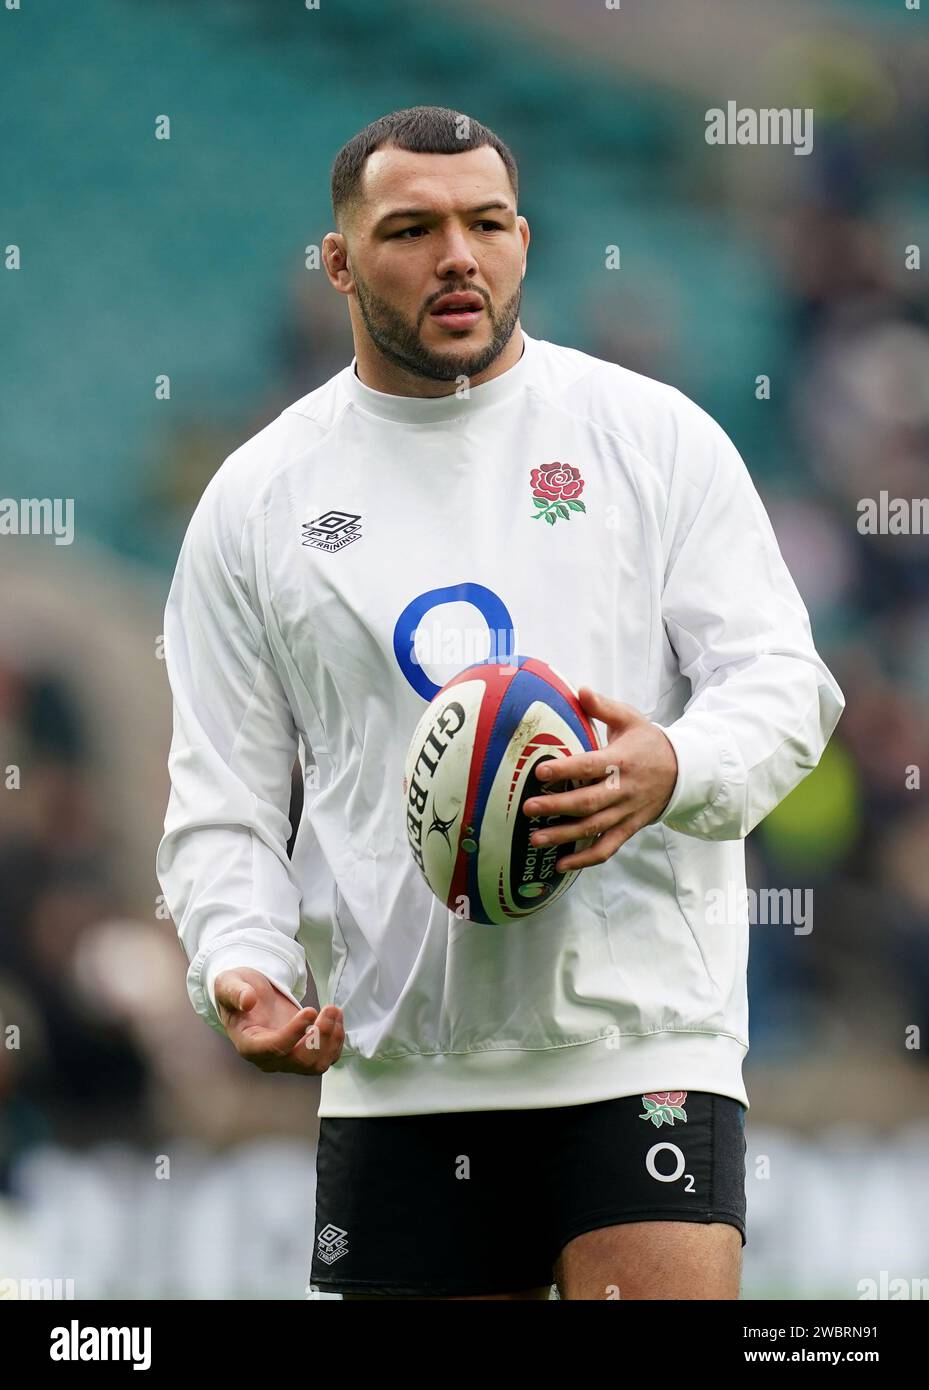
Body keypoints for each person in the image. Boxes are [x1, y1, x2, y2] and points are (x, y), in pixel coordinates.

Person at [156, 105, 845, 1301]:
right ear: (337, 262)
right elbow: (222, 791)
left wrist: (667, 768)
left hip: (640, 1043)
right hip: (400, 1065)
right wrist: (242, 960)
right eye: (411, 228)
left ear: (522, 239)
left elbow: (784, 685)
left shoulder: (651, 438)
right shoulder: (258, 499)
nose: (456, 255)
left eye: (484, 223)